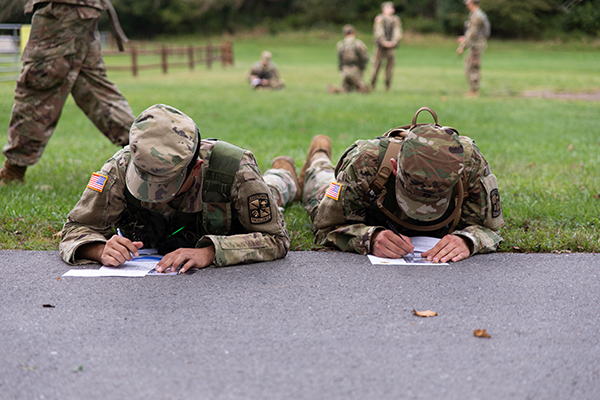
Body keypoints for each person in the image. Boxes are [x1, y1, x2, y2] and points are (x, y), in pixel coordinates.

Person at [59, 104, 292, 273]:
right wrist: (98, 249)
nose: (154, 196)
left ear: (196, 169)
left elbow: (275, 239)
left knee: (273, 190)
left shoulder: (237, 171)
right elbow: (76, 227)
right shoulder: (119, 168)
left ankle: (285, 172)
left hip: (247, 194)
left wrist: (211, 252)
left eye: (165, 186)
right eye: (144, 182)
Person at [271, 107, 504, 263]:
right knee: (320, 191)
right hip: (366, 203)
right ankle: (310, 161)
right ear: (394, 167)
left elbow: (489, 228)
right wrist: (369, 238)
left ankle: (317, 158)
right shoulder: (367, 162)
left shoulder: (470, 161)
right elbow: (326, 227)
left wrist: (468, 240)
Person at [0, 0, 135, 186]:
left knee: (38, 83)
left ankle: (13, 171)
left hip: (63, 9)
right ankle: (149, 151)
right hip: (78, 9)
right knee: (91, 86)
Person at [456, 0, 491, 97]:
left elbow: (472, 33)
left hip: (476, 45)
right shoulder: (476, 14)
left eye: (468, 3)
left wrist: (462, 46)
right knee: (470, 65)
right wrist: (464, 39)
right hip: (475, 44)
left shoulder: (477, 16)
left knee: (472, 66)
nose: (467, 5)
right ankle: (473, 89)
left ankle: (474, 91)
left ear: (472, 3)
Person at [370, 1, 403, 91]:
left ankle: (387, 86)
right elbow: (378, 31)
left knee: (390, 67)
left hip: (391, 46)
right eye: (389, 8)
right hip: (380, 47)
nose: (391, 10)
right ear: (384, 9)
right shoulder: (379, 19)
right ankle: (372, 85)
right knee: (376, 66)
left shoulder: (395, 19)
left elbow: (398, 31)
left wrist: (394, 41)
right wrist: (383, 42)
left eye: (391, 8)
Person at [329, 24, 370, 94]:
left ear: (344, 33)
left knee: (346, 88)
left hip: (345, 71)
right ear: (354, 32)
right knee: (363, 89)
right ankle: (362, 87)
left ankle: (335, 90)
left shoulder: (340, 44)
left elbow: (339, 58)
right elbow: (365, 57)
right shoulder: (358, 43)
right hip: (355, 70)